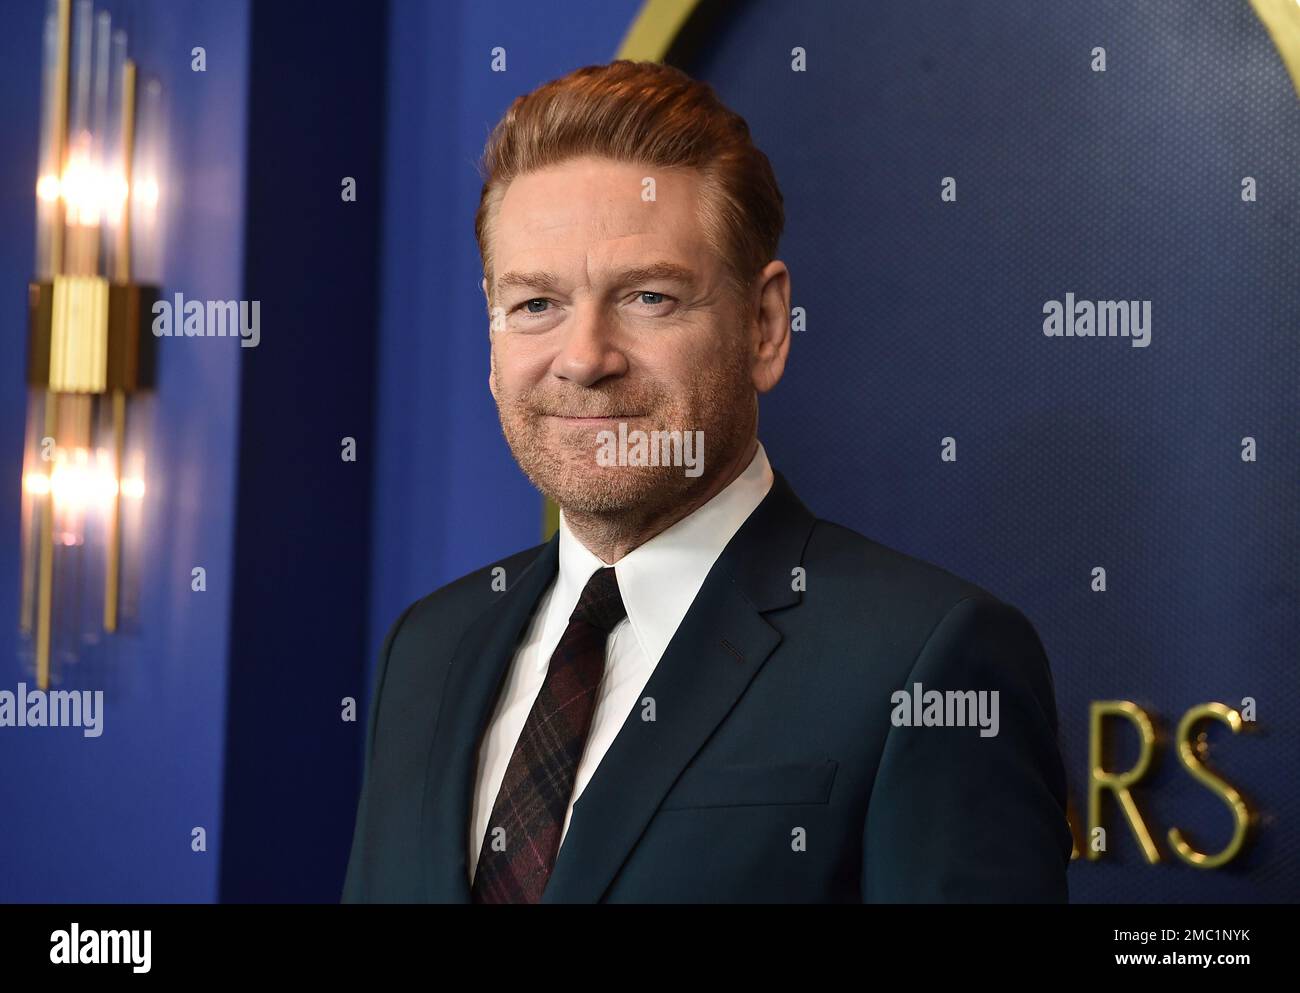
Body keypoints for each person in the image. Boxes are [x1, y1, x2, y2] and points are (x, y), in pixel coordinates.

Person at [342, 59, 1071, 903]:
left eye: (649, 296)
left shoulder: (930, 659)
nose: (584, 358)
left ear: (764, 325)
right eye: (535, 304)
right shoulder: (427, 649)